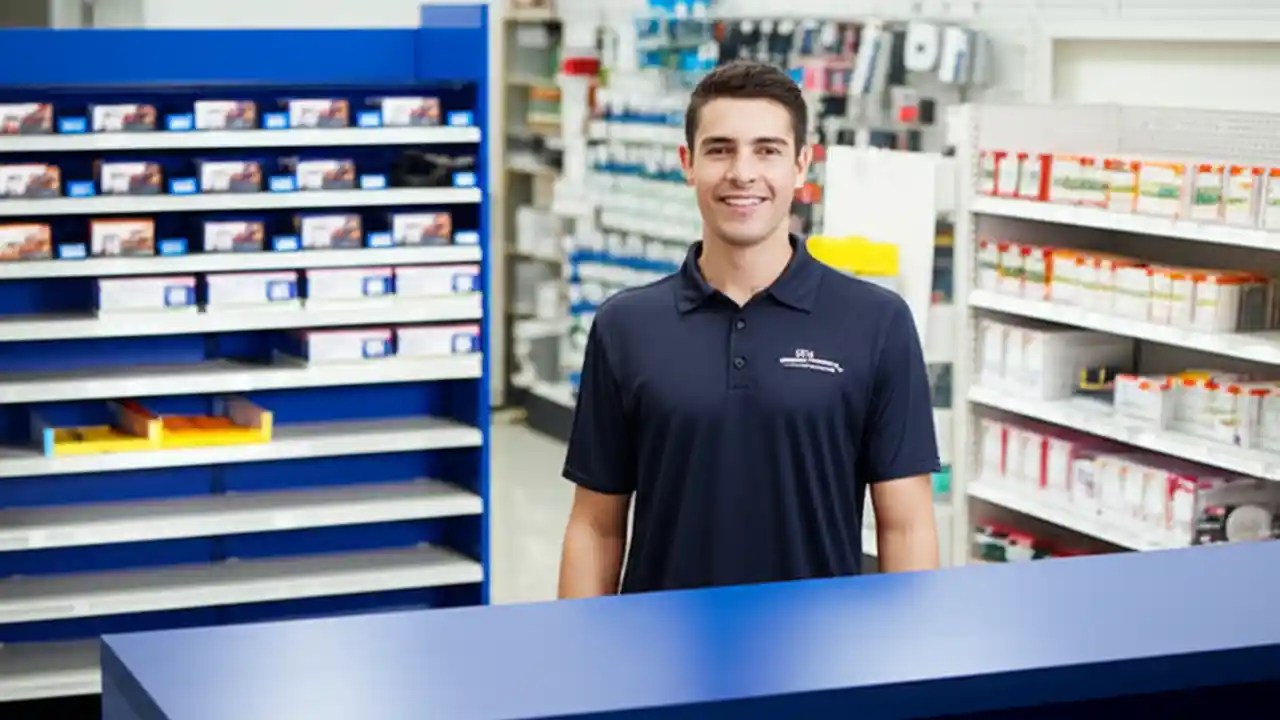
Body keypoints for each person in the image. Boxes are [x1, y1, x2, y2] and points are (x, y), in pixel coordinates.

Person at [557, 60, 941, 598]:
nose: (742, 173)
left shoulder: (876, 322)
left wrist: (915, 646)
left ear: (802, 165)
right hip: (661, 642)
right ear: (688, 164)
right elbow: (596, 526)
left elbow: (907, 526)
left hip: (819, 641)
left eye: (767, 150)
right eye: (720, 149)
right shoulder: (626, 326)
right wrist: (580, 642)